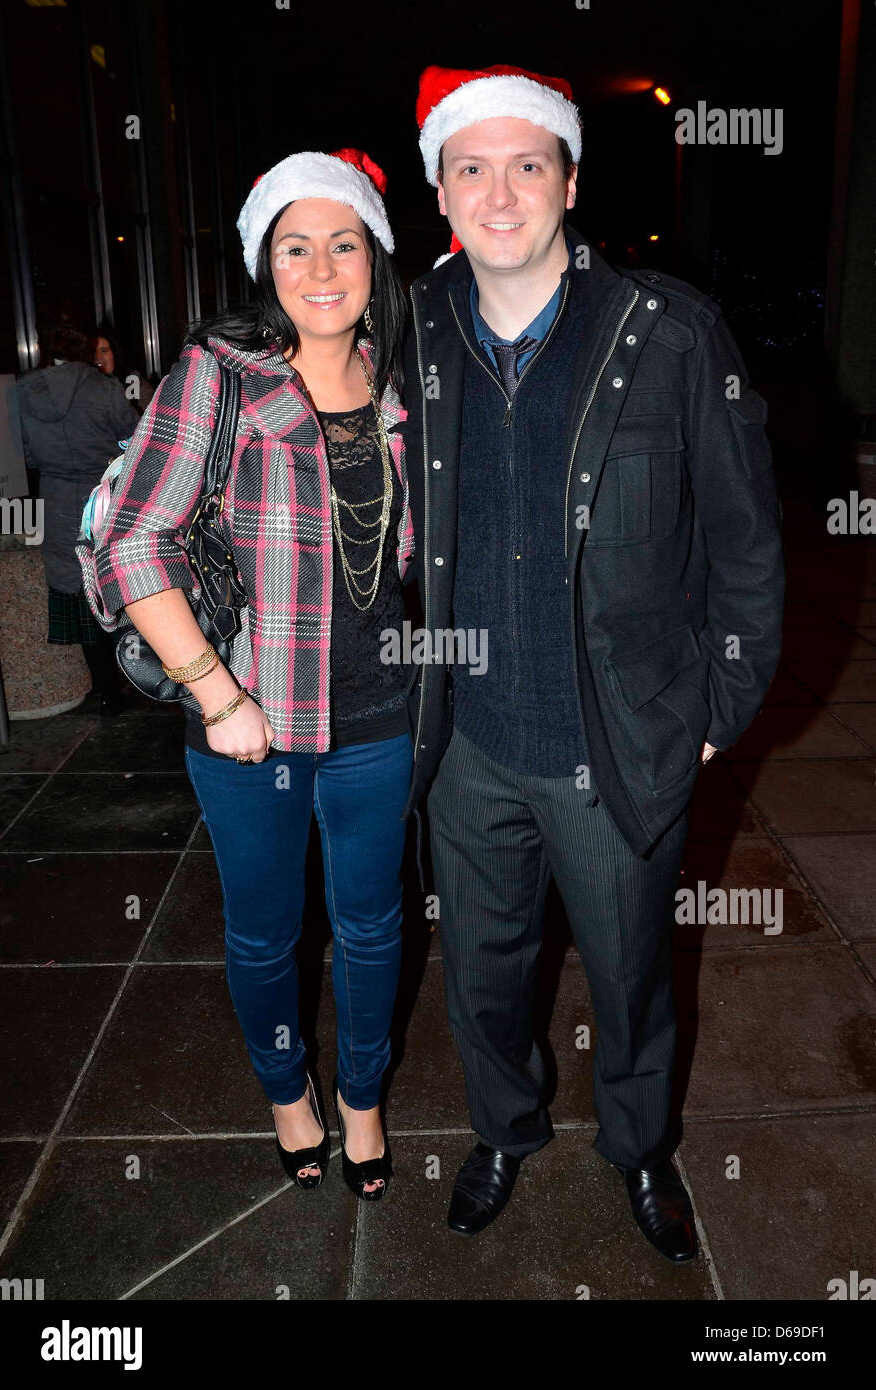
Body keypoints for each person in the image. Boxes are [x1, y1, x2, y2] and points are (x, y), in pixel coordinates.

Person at [399, 65, 784, 1257]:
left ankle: (641, 1149)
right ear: (441, 191)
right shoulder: (407, 330)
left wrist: (715, 706)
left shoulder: (668, 333)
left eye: (527, 163)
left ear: (570, 176)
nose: (500, 191)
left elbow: (745, 544)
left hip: (615, 743)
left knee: (632, 980)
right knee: (482, 980)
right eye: (472, 166)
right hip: (465, 746)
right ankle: (506, 1130)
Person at [82, 149, 413, 1200]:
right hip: (251, 725)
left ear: (376, 257)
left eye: (344, 242)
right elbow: (132, 541)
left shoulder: (406, 386)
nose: (322, 267)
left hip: (383, 715)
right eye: (295, 245)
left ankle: (361, 1098)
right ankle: (288, 1092)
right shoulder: (222, 376)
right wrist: (215, 692)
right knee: (267, 929)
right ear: (266, 266)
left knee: (372, 925)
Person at [17, 324, 137, 716]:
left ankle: (105, 693)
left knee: (78, 594)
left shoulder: (24, 391)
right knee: (116, 585)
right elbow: (135, 441)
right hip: (104, 497)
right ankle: (130, 675)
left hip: (54, 500)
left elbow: (27, 456)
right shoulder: (104, 388)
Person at [89, 326, 155, 416]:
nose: (98, 357)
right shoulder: (80, 386)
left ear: (114, 354)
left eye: (104, 350)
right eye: (92, 351)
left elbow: (149, 419)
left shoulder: (133, 382)